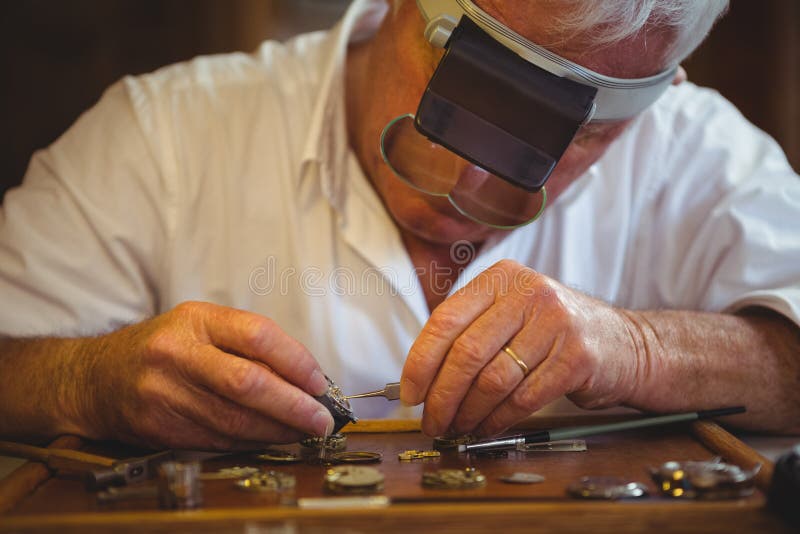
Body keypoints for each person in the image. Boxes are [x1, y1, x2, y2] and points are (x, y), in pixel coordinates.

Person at [0, 0, 798, 450]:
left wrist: (644, 351)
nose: (470, 181)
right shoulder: (160, 135)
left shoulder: (701, 154)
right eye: (456, 104)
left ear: (659, 90)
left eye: (572, 136)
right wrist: (90, 380)